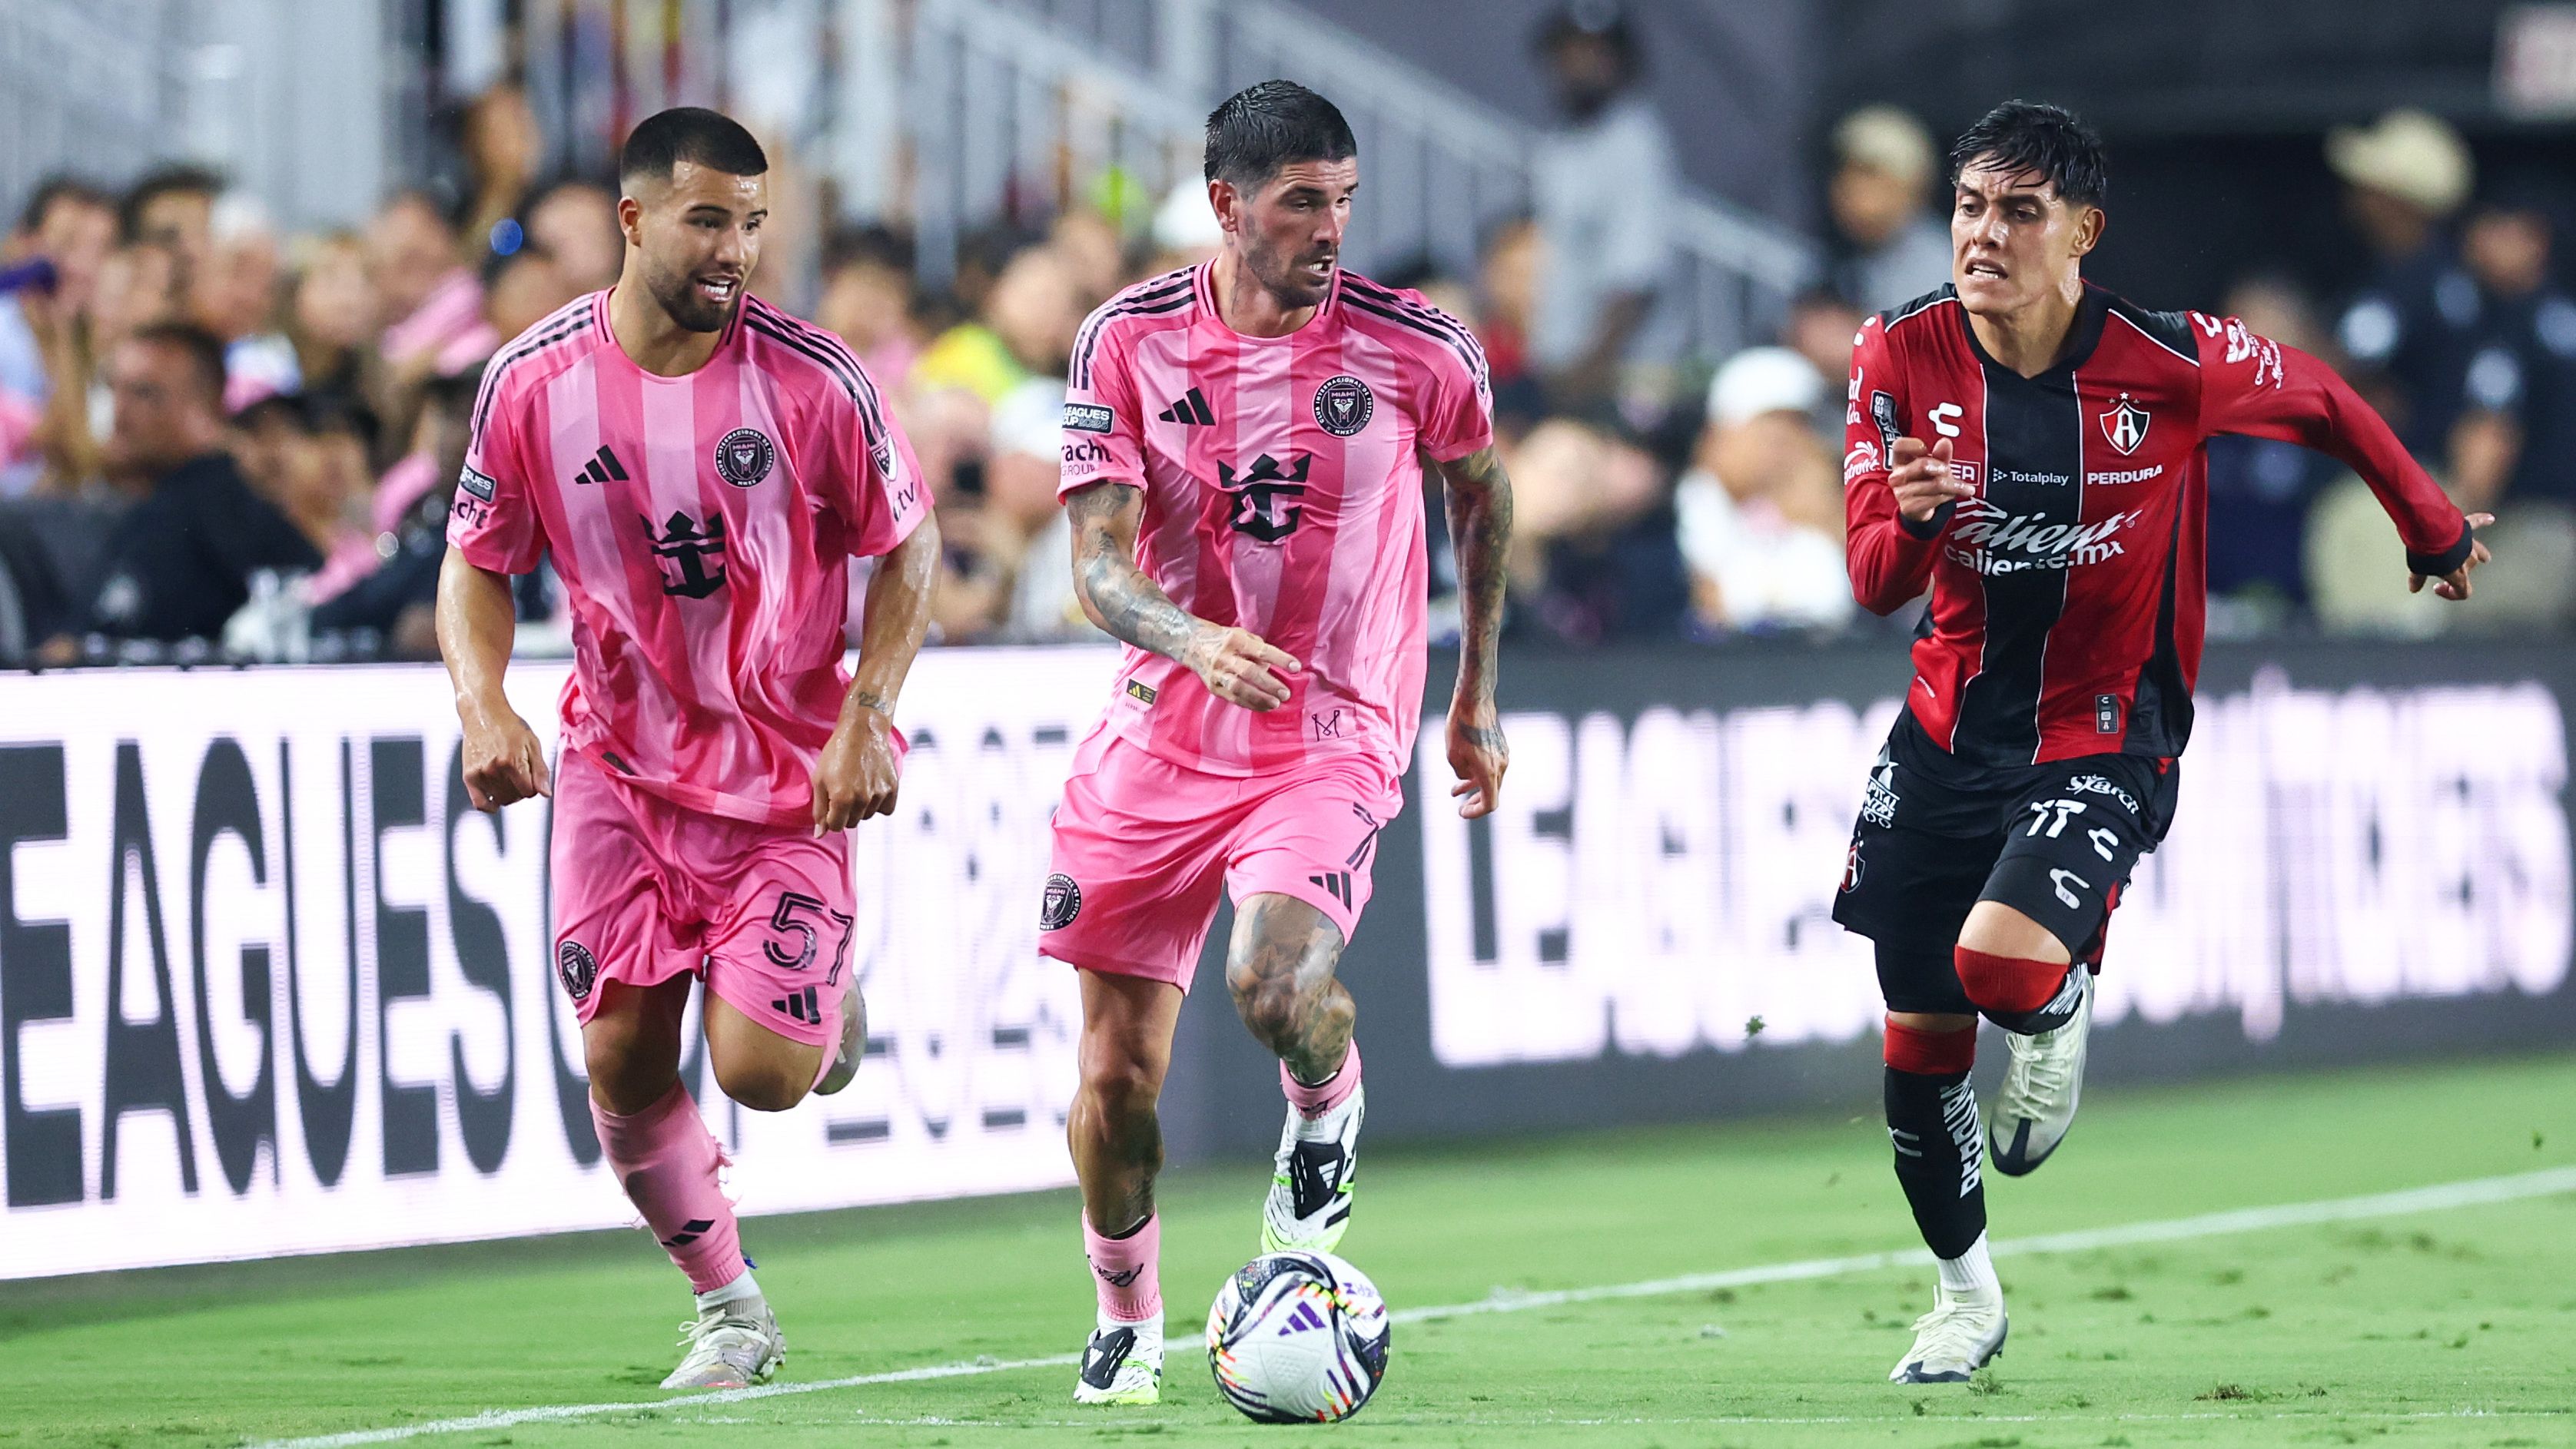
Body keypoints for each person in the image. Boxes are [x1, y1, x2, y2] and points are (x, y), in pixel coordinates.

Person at [1830, 101, 2488, 1385]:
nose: (1983, 234)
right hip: (1944, 732)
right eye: (1969, 206)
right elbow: (1866, 579)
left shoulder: (2170, 360)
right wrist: (1906, 523)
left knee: (2001, 972)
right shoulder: (1895, 356)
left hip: (2104, 730)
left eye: (2019, 212)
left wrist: (2428, 525)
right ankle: (1963, 1296)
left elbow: (2327, 400)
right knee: (1917, 1055)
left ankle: (2062, 987)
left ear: (2083, 231)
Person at [433, 107, 938, 1391]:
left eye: (755, 224)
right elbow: (475, 565)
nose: (737, 251)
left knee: (761, 1076)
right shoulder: (531, 384)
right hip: (617, 767)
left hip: (784, 776)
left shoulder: (815, 381)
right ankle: (729, 1308)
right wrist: (484, 707)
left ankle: (815, 1012)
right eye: (710, 219)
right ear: (634, 218)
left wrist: (865, 713)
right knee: (617, 1052)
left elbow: (909, 546)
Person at [1046, 79, 1511, 1406]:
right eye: (1304, 203)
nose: (1330, 229)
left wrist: (1474, 691)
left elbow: (1483, 498)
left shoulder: (1419, 349)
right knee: (1114, 1072)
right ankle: (1125, 1317)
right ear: (1226, 206)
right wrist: (1191, 641)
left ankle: (1325, 1113)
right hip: (1161, 731)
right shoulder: (1124, 342)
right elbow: (1096, 563)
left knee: (1272, 981)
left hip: (1331, 728)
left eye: (1345, 202)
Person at [60, 323, 319, 646]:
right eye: (112, 389)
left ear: (205, 406)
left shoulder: (220, 512)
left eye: (145, 393)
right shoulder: (155, 504)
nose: (119, 412)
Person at [1528, 2, 1675, 406]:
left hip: (1619, 377)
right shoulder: (1560, 143)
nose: (1581, 63)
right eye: (1570, 50)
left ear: (1622, 61)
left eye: (1596, 51)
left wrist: (1588, 370)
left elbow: (1636, 278)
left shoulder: (1634, 142)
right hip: (1562, 368)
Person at [1827, 106, 1954, 312]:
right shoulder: (1862, 256)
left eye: (1869, 175)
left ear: (1911, 186)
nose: (1847, 188)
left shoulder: (1934, 267)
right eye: (1843, 173)